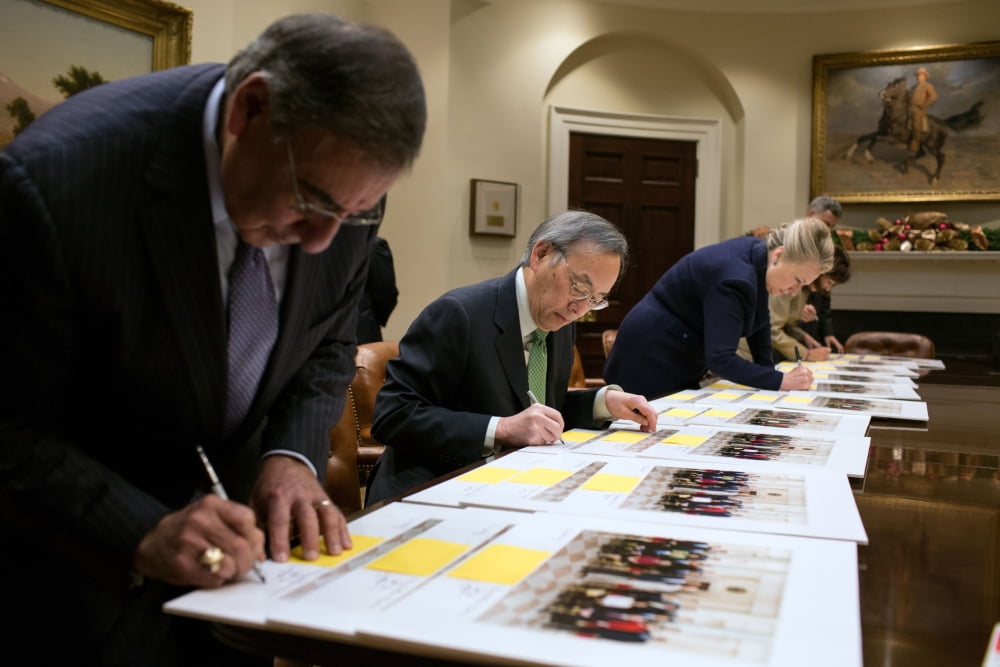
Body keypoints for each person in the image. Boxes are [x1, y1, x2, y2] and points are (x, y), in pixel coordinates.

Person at [0, 14, 425, 666]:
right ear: (248, 109)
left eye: (350, 213)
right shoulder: (53, 185)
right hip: (82, 570)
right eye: (309, 201)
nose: (321, 239)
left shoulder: (344, 186)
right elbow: (11, 428)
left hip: (243, 577)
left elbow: (328, 343)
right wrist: (142, 526)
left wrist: (290, 454)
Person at [365, 211, 659, 504]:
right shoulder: (459, 314)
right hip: (435, 487)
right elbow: (394, 415)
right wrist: (502, 429)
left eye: (596, 299)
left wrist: (601, 403)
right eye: (579, 287)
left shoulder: (558, 320)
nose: (580, 309)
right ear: (541, 254)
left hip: (514, 485)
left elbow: (535, 409)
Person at [603, 217, 834, 399]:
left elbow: (759, 323)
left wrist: (772, 376)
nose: (795, 291)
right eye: (798, 280)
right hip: (651, 357)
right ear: (780, 255)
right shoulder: (735, 277)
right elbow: (721, 359)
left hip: (675, 351)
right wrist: (780, 381)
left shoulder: (758, 257)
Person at [798, 246, 852, 354]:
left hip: (811, 340)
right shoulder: (796, 283)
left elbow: (824, 312)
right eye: (829, 282)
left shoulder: (822, 289)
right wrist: (796, 311)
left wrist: (828, 333)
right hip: (792, 344)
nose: (828, 288)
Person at [356, 235, 399, 343]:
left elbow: (386, 294)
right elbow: (387, 293)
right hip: (361, 328)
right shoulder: (372, 244)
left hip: (361, 332)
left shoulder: (373, 245)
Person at [910, 66, 938, 152]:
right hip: (911, 107)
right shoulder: (913, 87)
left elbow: (933, 96)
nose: (918, 77)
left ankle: (916, 143)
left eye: (921, 75)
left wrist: (924, 105)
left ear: (925, 76)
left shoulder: (927, 86)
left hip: (919, 110)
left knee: (916, 122)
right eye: (918, 75)